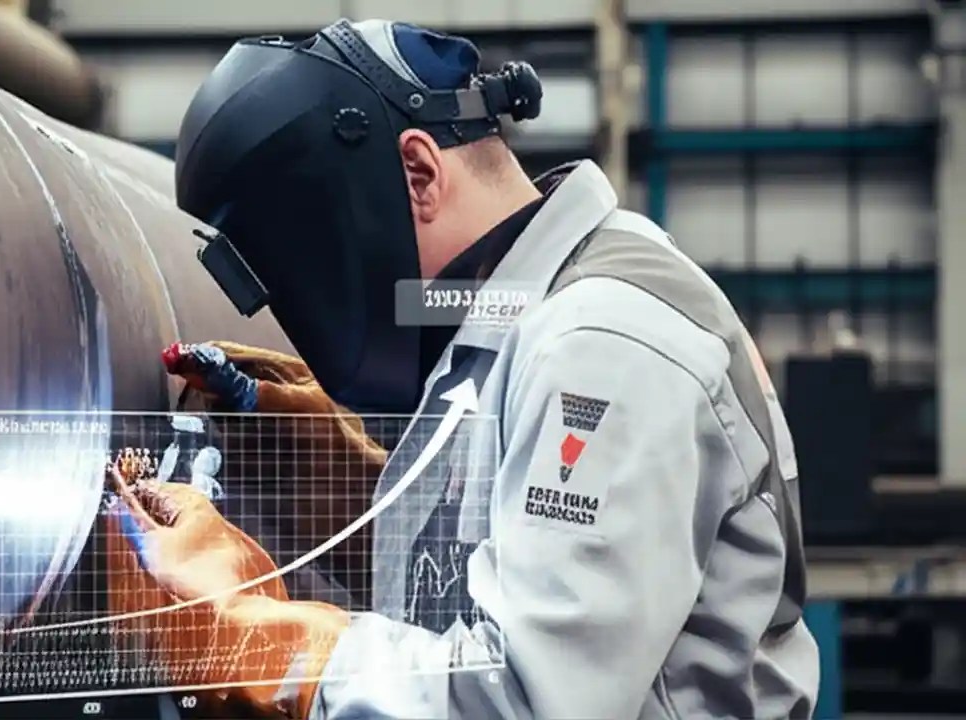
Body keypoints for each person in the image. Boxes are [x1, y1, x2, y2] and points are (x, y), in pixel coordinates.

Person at [107, 18, 821, 719]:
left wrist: (263, 643)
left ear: (418, 173)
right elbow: (506, 580)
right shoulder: (521, 311)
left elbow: (524, 697)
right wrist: (350, 491)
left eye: (313, 265)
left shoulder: (602, 344)